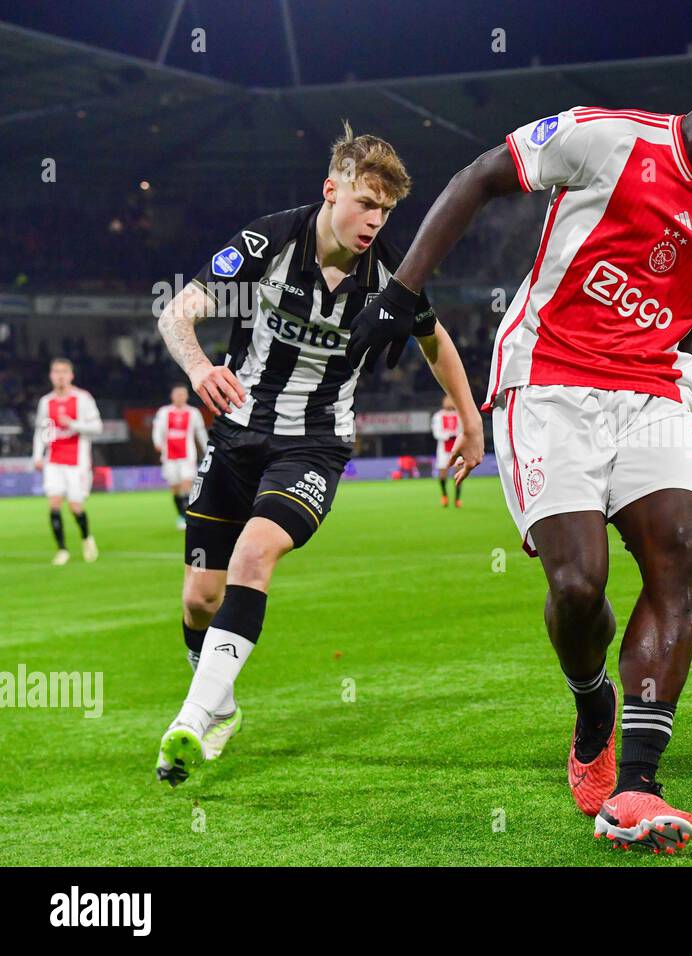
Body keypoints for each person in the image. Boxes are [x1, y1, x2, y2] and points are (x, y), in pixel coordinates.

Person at [344, 55, 692, 853]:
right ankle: (595, 712)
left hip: (653, 391)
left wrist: (674, 399)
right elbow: (483, 175)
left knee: (679, 552)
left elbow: (689, 323)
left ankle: (639, 784)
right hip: (548, 378)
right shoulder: (606, 138)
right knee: (579, 584)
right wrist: (404, 290)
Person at [152, 122, 483, 786]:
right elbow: (177, 312)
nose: (374, 220)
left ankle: (189, 719)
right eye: (365, 202)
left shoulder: (392, 271)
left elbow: (433, 338)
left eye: (386, 209)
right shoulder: (267, 240)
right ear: (332, 190)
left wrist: (471, 420)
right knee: (198, 598)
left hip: (316, 445)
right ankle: (219, 704)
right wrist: (196, 367)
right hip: (236, 436)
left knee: (255, 553)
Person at [32, 358, 101, 565]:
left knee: (75, 506)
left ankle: (86, 537)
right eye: (56, 372)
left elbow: (97, 427)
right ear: (51, 376)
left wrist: (72, 423)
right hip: (53, 460)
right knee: (53, 504)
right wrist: (37, 455)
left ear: (71, 375)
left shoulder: (82, 398)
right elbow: (41, 430)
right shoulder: (46, 402)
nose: (60, 376)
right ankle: (62, 550)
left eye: (64, 372)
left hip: (77, 462)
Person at [153, 385, 208, 530]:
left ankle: (189, 515)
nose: (180, 397)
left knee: (186, 484)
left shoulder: (193, 412)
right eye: (177, 394)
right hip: (169, 455)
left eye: (182, 394)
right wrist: (157, 442)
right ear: (172, 396)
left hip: (187, 455)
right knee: (175, 487)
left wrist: (207, 449)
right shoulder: (164, 412)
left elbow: (200, 432)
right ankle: (181, 515)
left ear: (186, 396)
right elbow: (157, 429)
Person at [431, 394, 464, 507]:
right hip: (443, 449)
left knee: (459, 473)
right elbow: (436, 433)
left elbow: (462, 430)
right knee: (443, 474)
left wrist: (457, 435)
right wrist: (447, 436)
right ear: (443, 402)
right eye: (446, 400)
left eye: (450, 400)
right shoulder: (438, 416)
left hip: (457, 448)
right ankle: (444, 495)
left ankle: (457, 499)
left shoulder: (459, 415)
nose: (448, 402)